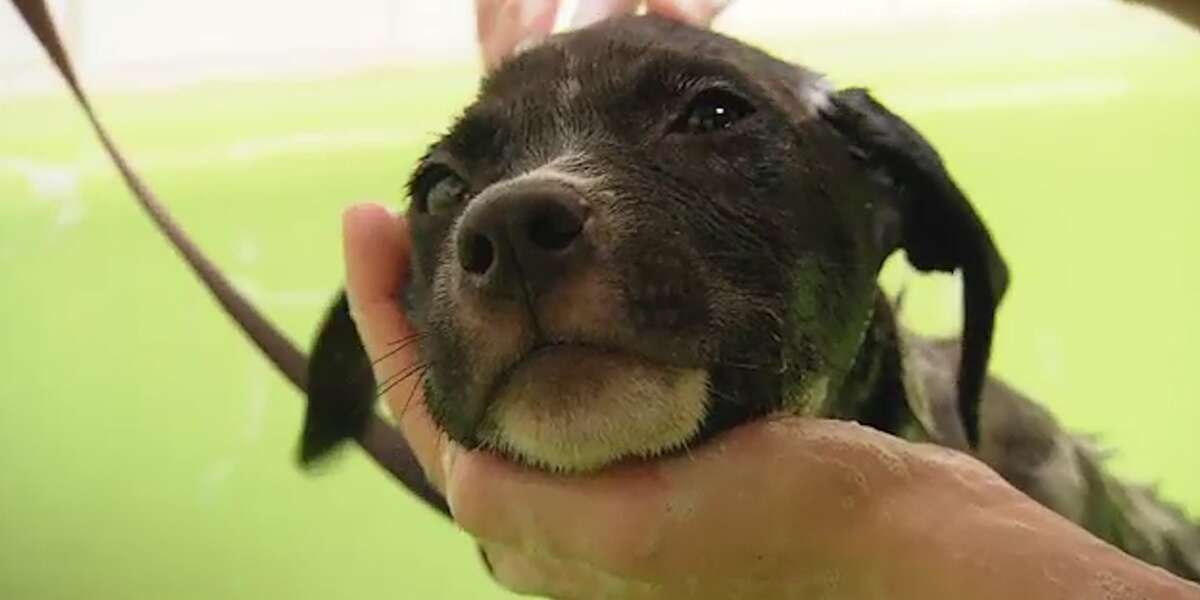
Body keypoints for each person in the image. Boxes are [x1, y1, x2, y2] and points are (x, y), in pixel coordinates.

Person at [345, 2, 1200, 597]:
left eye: (714, 116)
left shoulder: (1043, 498)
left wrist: (900, 548)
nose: (503, 219)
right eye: (450, 191)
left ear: (888, 200)